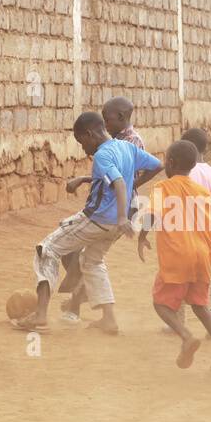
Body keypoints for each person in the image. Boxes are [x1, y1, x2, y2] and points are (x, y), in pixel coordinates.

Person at [15, 111, 164, 334]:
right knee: (92, 261)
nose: (83, 148)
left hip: (99, 219)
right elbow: (157, 165)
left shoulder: (102, 155)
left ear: (90, 133)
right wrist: (131, 193)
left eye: (81, 142)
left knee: (47, 250)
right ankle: (109, 319)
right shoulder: (127, 147)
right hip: (116, 225)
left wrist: (122, 214)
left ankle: (41, 315)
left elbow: (120, 184)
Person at [138, 140, 211, 374]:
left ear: (171, 163)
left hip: (177, 256)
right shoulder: (204, 193)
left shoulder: (163, 188)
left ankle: (185, 335)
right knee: (201, 307)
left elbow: (151, 214)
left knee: (160, 303)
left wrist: (141, 237)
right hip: (202, 256)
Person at [60, 97, 148, 322]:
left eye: (106, 119)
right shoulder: (116, 139)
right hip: (108, 207)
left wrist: (131, 188)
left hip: (118, 209)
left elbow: (121, 178)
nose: (104, 124)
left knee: (85, 257)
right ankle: (84, 304)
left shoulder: (131, 141)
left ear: (120, 117)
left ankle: (76, 306)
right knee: (85, 257)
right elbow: (111, 177)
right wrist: (85, 179)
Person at [163, 128, 211, 332]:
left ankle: (176, 321)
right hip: (204, 232)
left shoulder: (184, 172)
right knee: (205, 273)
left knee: (177, 273)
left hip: (183, 231)